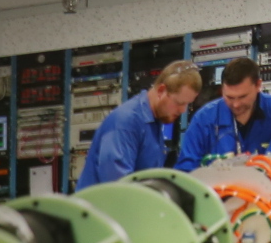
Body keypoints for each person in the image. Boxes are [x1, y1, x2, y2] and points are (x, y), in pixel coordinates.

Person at [80, 59, 203, 187]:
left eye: (187, 104)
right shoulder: (126, 122)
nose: (183, 110)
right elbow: (117, 187)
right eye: (179, 103)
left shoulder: (154, 121)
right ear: (161, 91)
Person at [176, 56, 271, 166]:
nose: (236, 105)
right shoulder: (204, 119)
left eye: (242, 97)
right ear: (222, 89)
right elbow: (186, 169)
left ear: (258, 85)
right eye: (230, 97)